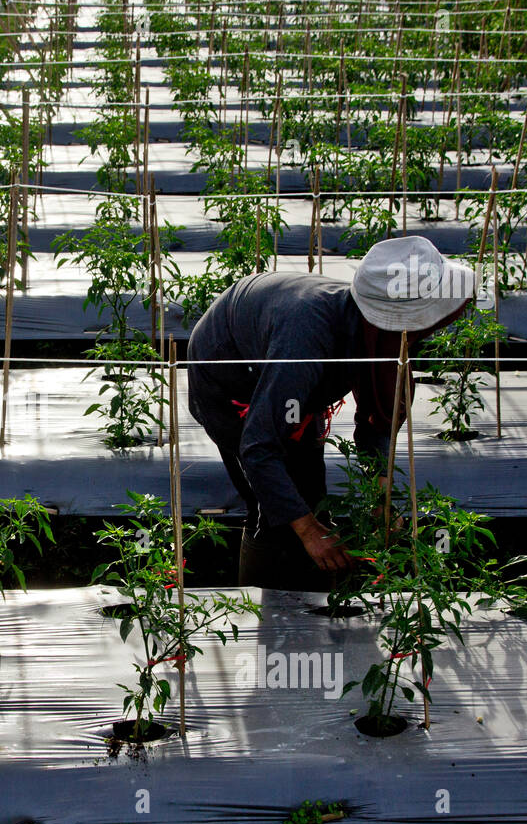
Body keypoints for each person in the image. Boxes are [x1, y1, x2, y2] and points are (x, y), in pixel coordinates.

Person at [186, 236, 475, 591]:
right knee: (271, 507)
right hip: (227, 379)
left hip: (280, 364)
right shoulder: (305, 341)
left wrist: (380, 488)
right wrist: (308, 531)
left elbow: (377, 415)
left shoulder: (371, 336)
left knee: (309, 488)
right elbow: (258, 448)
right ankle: (267, 613)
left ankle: (314, 590)